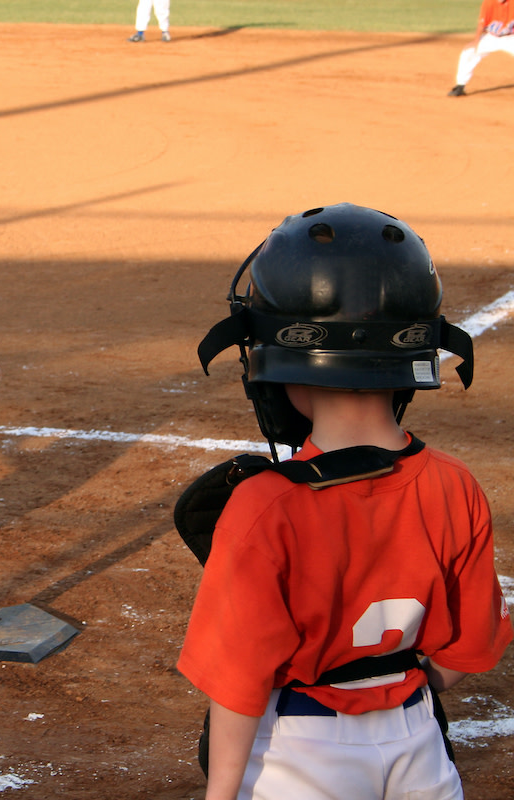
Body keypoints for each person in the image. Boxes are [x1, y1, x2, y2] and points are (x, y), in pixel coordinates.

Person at [175, 203, 513, 799]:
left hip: (302, 754)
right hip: (418, 746)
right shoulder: (455, 485)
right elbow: (468, 648)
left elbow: (236, 682)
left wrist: (221, 793)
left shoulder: (264, 505)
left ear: (279, 364)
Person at [450, 0, 514, 96]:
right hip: (491, 37)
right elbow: (481, 23)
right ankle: (460, 86)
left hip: (510, 38)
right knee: (468, 52)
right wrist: (476, 42)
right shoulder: (488, 2)